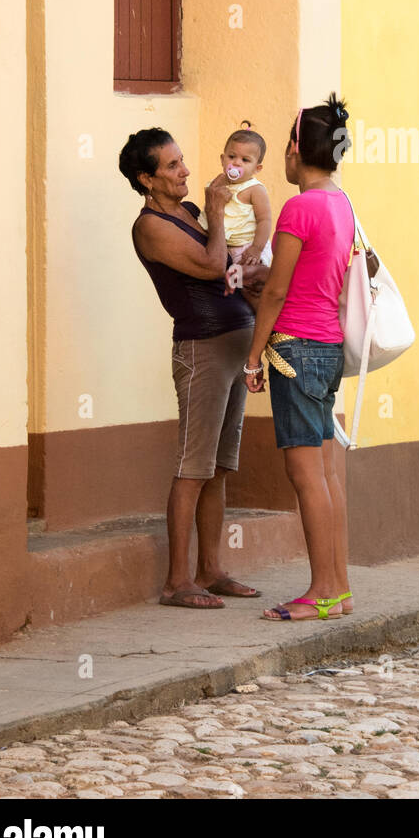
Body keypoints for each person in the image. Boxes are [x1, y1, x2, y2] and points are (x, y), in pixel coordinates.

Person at [118, 128, 267, 610]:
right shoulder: (150, 226)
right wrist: (220, 214)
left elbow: (230, 271)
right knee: (193, 466)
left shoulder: (187, 213)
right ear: (147, 179)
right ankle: (176, 582)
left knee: (219, 468)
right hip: (201, 348)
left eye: (182, 161)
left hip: (234, 343)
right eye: (172, 166)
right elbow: (210, 264)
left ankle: (211, 569)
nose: (185, 171)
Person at [243, 94, 356, 621]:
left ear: (294, 149)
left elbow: (276, 293)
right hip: (328, 347)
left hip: (295, 349)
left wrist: (251, 357)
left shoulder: (299, 206)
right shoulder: (341, 203)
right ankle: (339, 587)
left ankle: (321, 593)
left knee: (306, 474)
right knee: (326, 473)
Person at [197, 122, 272, 276]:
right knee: (232, 284)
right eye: (232, 157)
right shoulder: (216, 183)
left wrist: (256, 248)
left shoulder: (254, 189)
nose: (237, 162)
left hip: (248, 247)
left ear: (257, 168)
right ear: (222, 159)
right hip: (225, 248)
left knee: (251, 282)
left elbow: (265, 220)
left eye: (245, 160)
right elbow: (209, 211)